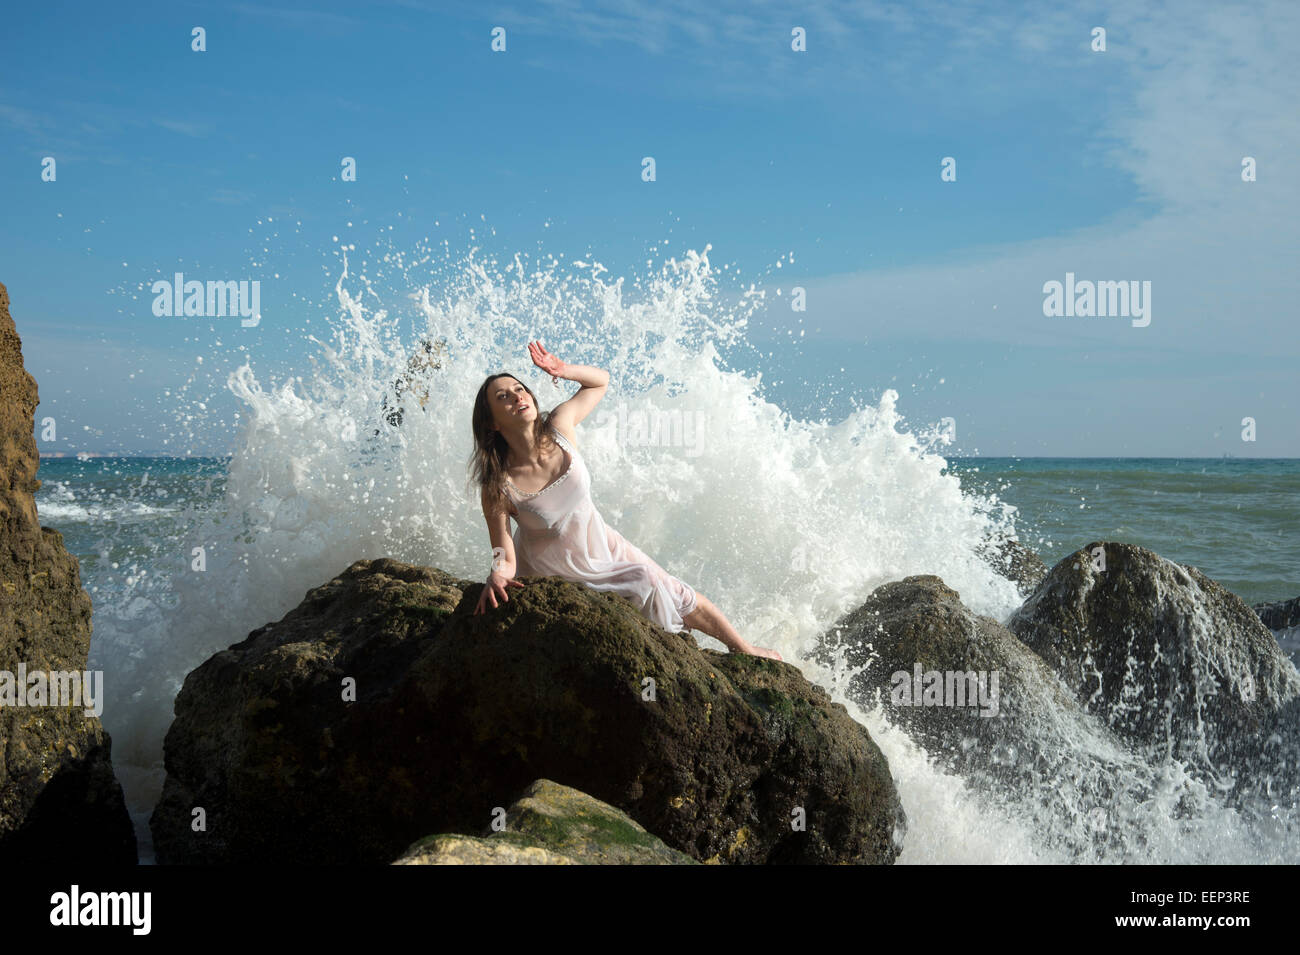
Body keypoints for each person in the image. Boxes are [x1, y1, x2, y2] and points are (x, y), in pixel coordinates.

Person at [468, 340, 782, 660]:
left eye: (520, 389)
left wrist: (562, 369)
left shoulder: (560, 426)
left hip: (601, 541)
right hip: (556, 569)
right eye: (503, 397)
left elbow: (599, 381)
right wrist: (498, 573)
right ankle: (670, 656)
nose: (517, 396)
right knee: (644, 580)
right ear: (492, 423)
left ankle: (743, 649)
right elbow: (502, 551)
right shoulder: (497, 484)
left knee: (674, 591)